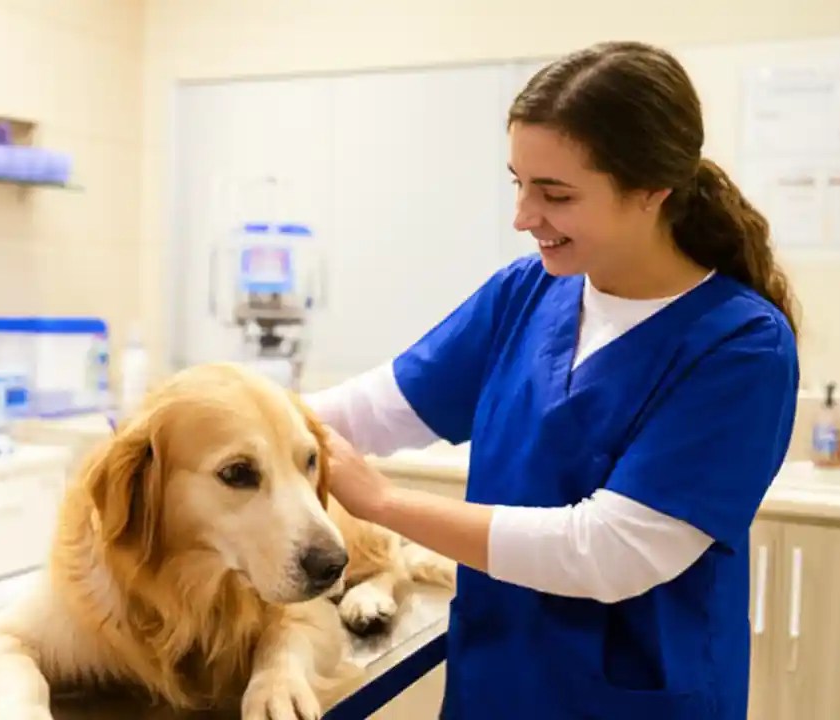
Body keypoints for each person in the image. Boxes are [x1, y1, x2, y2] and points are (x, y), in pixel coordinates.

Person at [306, 40, 800, 720]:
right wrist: (209, 423)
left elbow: (609, 552)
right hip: (496, 685)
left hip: (630, 701)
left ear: (652, 190)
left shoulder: (741, 346)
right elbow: (371, 410)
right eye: (518, 182)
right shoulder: (526, 294)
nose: (523, 217)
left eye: (555, 194)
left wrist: (383, 503)